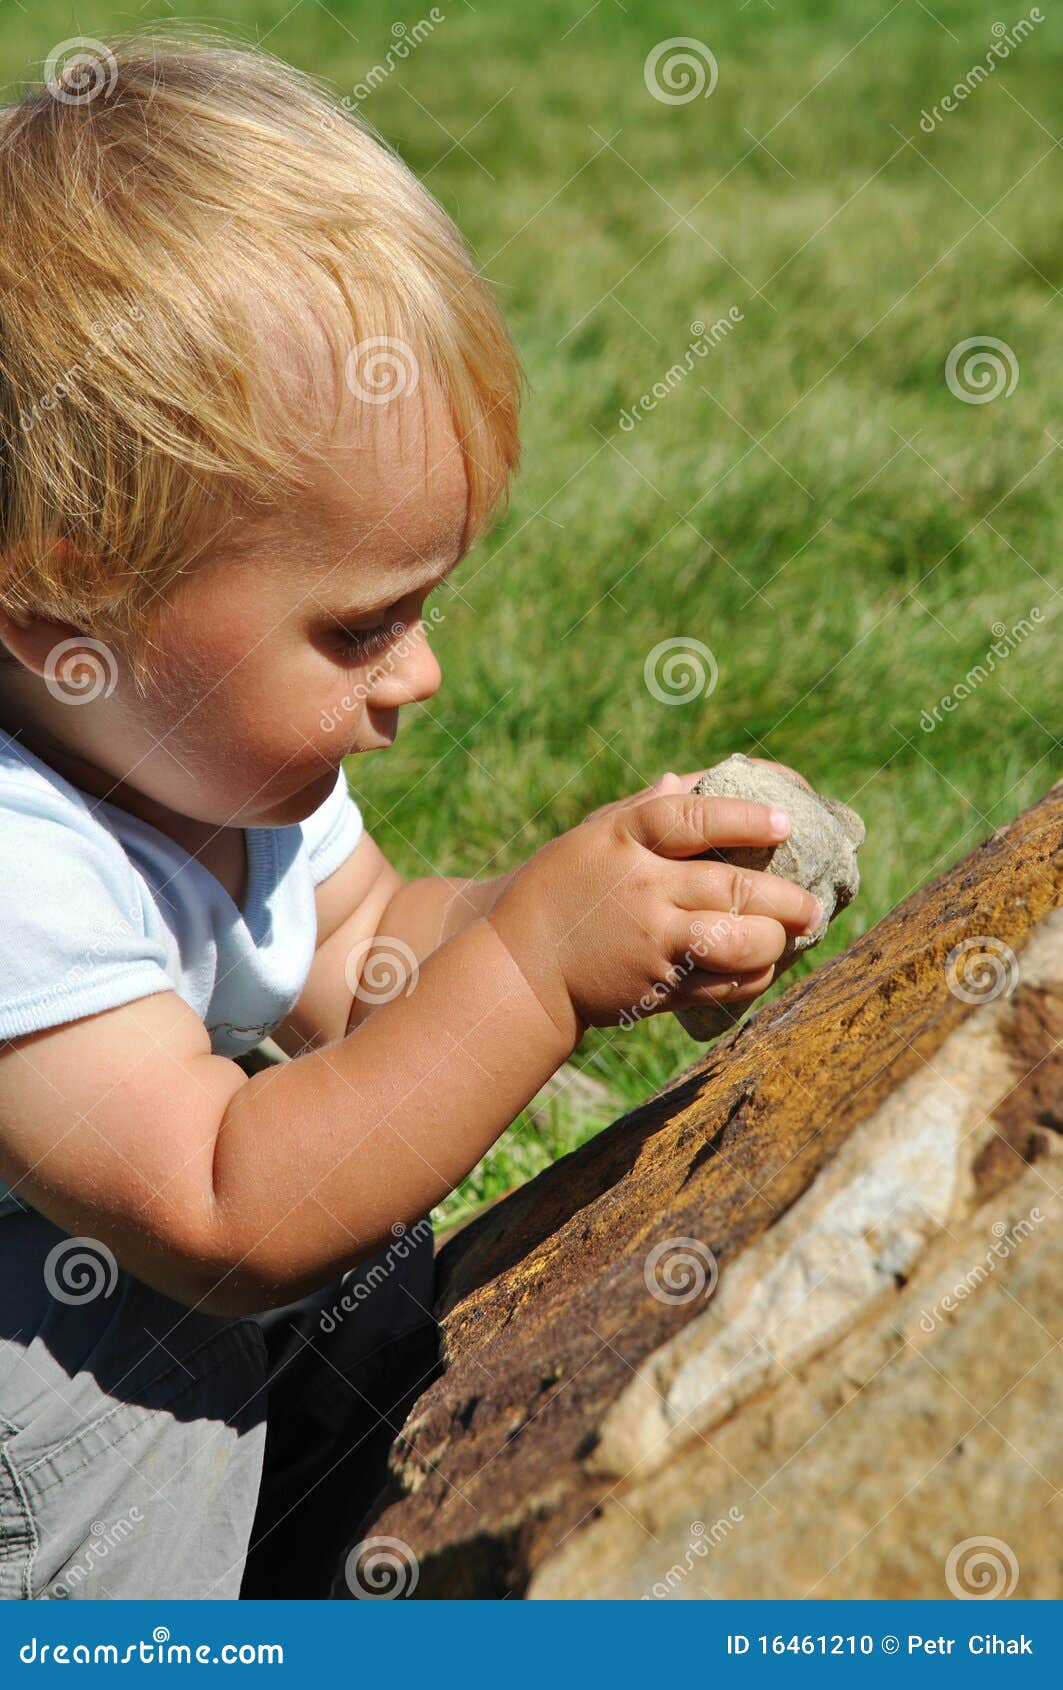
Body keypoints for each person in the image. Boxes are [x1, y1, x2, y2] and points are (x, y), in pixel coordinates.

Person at [0, 26, 821, 1599]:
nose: (423, 673)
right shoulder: (17, 850)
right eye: (361, 625)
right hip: (50, 1400)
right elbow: (219, 1202)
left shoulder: (194, 754)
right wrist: (527, 980)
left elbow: (366, 944)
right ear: (65, 617)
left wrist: (600, 907)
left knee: (367, 1238)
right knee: (148, 1373)